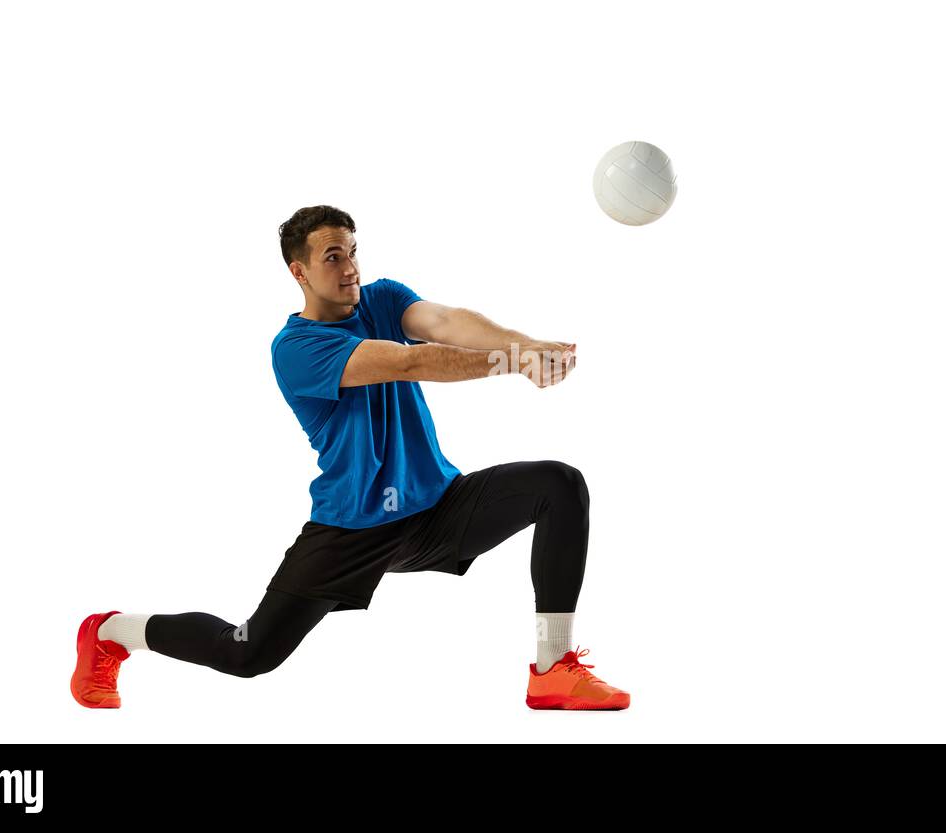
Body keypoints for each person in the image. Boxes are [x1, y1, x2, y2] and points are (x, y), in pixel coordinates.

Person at [70, 205, 630, 711]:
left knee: (559, 484)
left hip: (436, 506)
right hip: (353, 528)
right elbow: (410, 363)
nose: (350, 268)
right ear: (300, 272)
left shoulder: (381, 299)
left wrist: (525, 344)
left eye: (353, 251)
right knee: (248, 654)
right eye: (333, 257)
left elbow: (445, 323)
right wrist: (513, 361)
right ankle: (113, 632)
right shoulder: (297, 349)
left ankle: (552, 671)